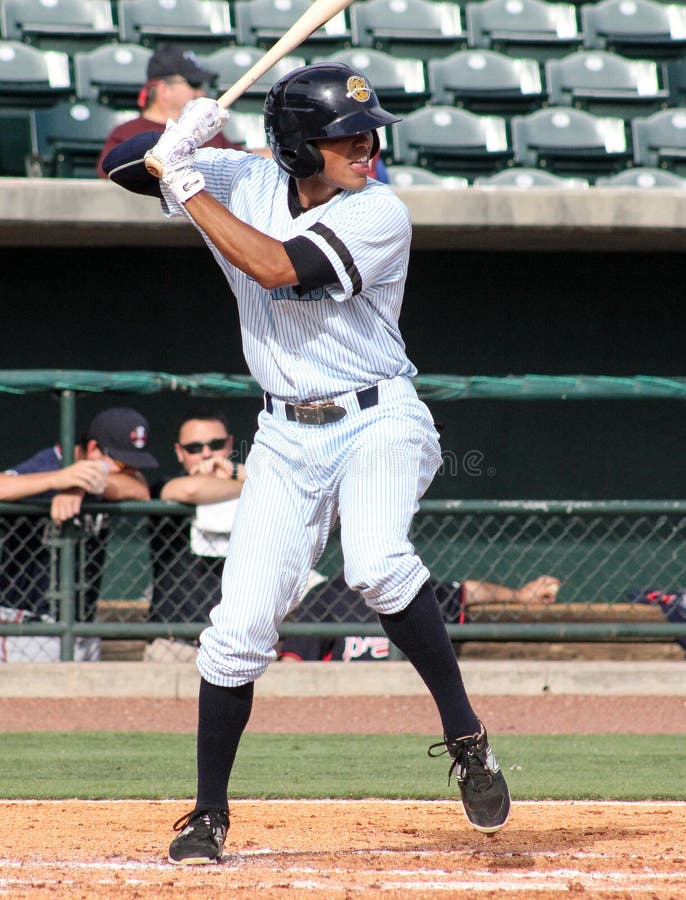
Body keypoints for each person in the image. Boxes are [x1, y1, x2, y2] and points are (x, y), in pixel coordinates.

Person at [103, 61, 512, 865]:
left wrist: (184, 182)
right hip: (284, 435)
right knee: (236, 631)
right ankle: (208, 814)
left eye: (368, 133)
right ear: (298, 146)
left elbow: (276, 267)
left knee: (377, 563)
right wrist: (170, 139)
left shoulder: (380, 211)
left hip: (378, 417)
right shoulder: (242, 177)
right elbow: (122, 169)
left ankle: (465, 737)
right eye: (344, 136)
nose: (366, 145)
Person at [0, 407, 158, 628]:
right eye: (123, 463)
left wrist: (80, 485)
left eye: (135, 465)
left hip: (82, 621)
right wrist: (58, 480)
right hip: (24, 619)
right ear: (93, 448)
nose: (129, 472)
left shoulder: (117, 478)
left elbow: (140, 490)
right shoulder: (50, 463)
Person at [281, 574, 561, 662]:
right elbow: (294, 663)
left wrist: (519, 596)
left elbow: (467, 590)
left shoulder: (416, 585)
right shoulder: (328, 594)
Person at [149, 407, 246, 625]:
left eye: (216, 445)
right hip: (175, 635)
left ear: (229, 445)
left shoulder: (245, 478)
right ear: (179, 452)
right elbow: (190, 490)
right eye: (194, 448)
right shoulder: (164, 484)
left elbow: (279, 486)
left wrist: (233, 472)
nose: (206, 454)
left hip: (237, 633)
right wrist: (246, 483)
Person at [96, 43, 246, 178]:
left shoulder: (207, 131)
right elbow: (110, 180)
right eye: (194, 84)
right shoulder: (127, 135)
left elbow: (247, 161)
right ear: (164, 90)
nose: (201, 93)